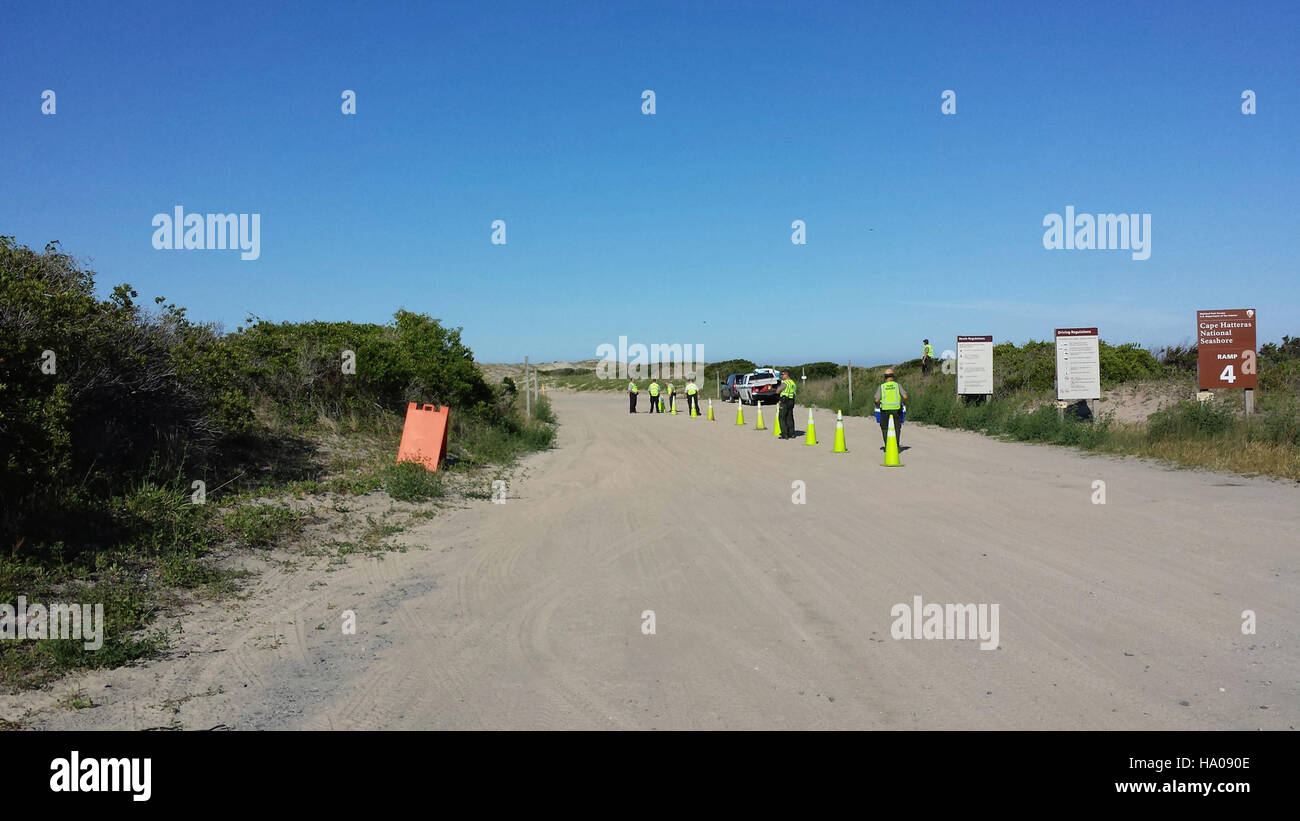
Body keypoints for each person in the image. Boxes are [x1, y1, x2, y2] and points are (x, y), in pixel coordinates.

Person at [874, 367, 909, 448]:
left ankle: (887, 445)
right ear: (893, 376)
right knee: (897, 427)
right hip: (897, 410)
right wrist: (904, 403)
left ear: (885, 377)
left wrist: (877, 404)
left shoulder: (882, 386)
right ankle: (896, 445)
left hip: (885, 410)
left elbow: (876, 400)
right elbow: (905, 396)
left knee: (884, 427)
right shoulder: (897, 385)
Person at [777, 369, 797, 439]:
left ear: (786, 375)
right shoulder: (793, 383)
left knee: (782, 418)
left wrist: (779, 386)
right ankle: (792, 433)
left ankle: (784, 434)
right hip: (791, 401)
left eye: (782, 374)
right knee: (790, 417)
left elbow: (777, 391)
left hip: (784, 401)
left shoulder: (785, 383)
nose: (781, 376)